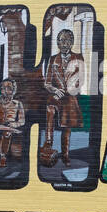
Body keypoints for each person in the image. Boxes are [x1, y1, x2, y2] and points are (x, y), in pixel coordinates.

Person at [40, 28, 85, 167]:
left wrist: (69, 90)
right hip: (56, 95)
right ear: (57, 43)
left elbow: (81, 81)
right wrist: (55, 90)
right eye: (61, 40)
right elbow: (47, 83)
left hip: (70, 96)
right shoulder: (53, 59)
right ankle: (48, 142)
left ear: (71, 42)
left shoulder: (78, 58)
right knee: (50, 108)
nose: (63, 43)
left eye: (66, 40)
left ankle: (65, 155)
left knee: (67, 125)